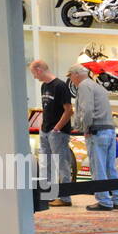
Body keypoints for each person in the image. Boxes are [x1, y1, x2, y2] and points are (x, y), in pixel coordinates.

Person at [67, 64, 118, 211]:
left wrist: (85, 127)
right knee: (111, 168)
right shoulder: (98, 87)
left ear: (76, 74)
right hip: (109, 130)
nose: (71, 80)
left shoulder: (84, 86)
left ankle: (104, 201)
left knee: (98, 168)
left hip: (96, 131)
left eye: (71, 76)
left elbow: (86, 110)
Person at [28, 59, 75, 209]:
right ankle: (47, 195)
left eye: (33, 73)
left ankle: (65, 197)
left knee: (62, 164)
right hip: (45, 130)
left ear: (39, 70)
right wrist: (45, 127)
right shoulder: (44, 86)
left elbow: (69, 110)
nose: (34, 77)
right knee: (45, 164)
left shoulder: (60, 86)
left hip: (58, 133)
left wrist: (57, 128)